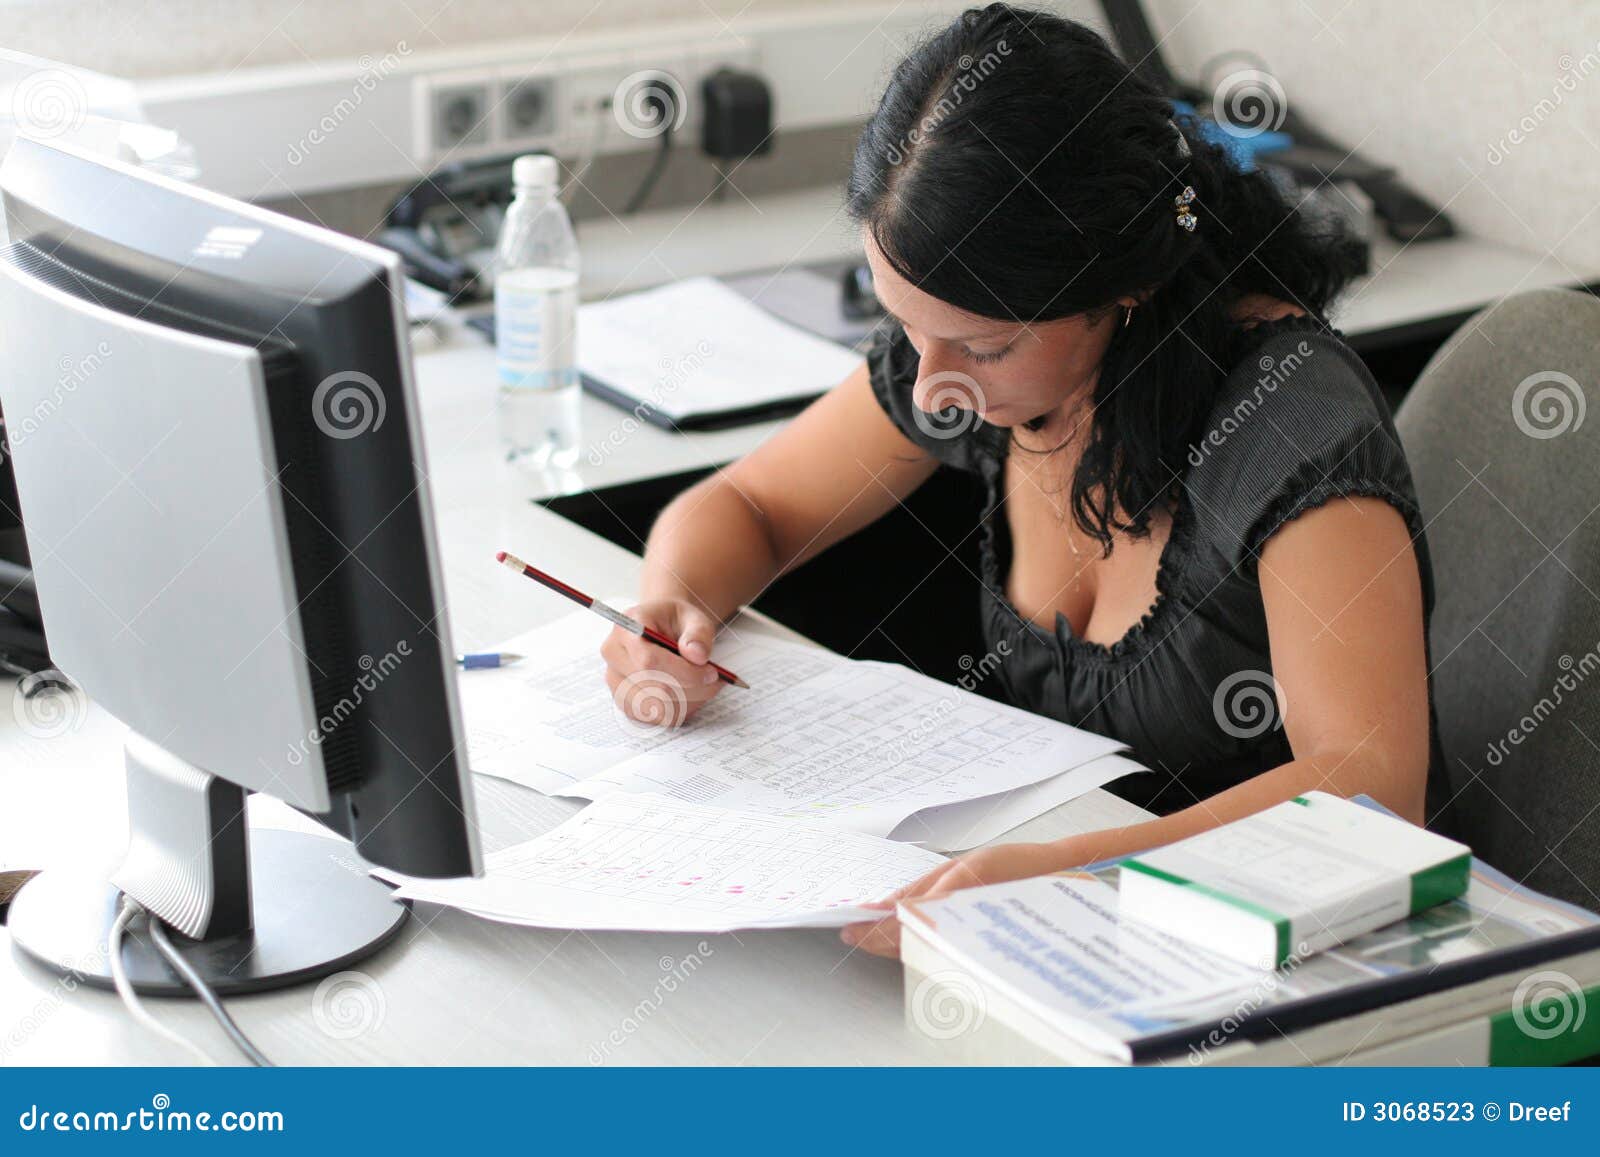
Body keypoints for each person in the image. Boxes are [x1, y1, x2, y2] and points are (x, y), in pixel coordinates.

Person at [600, 3, 1442, 958]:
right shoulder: (962, 357)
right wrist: (674, 610)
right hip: (1045, 942)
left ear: (1120, 289)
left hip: (1288, 969)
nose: (931, 385)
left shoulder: (1289, 421)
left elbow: (1374, 791)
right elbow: (751, 504)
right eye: (909, 328)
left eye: (984, 347)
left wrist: (1082, 876)